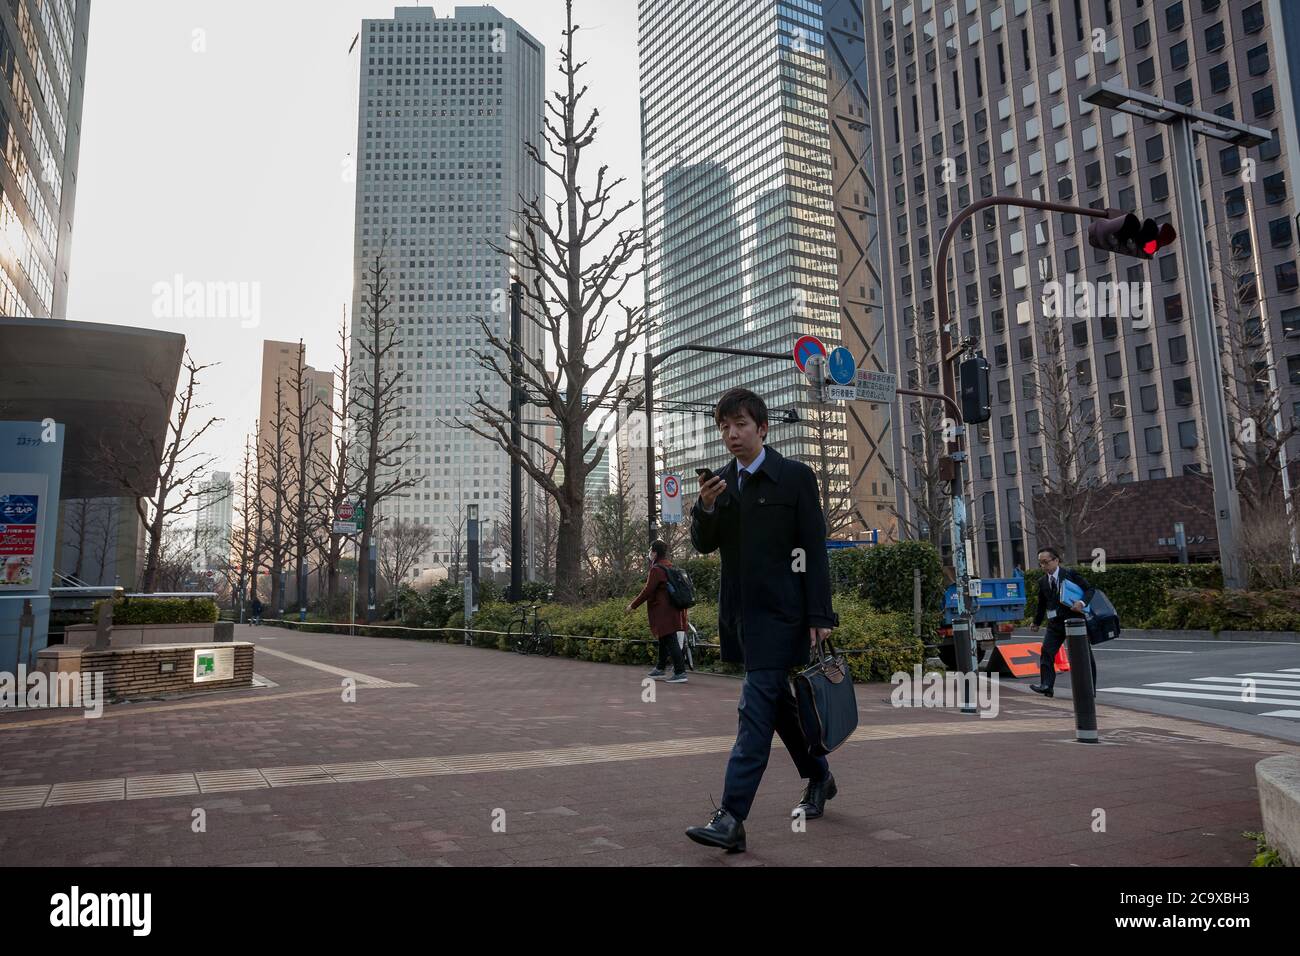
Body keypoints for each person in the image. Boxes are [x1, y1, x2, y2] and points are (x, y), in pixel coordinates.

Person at [683, 387, 838, 854]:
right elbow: (704, 545)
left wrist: (819, 613)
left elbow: (813, 549)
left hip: (785, 613)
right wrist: (706, 507)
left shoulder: (794, 477)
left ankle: (732, 816)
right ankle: (820, 776)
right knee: (778, 709)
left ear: (763, 428)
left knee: (754, 709)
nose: (732, 435)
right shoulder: (722, 485)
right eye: (724, 427)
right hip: (741, 616)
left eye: (741, 425)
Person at [1030, 546, 1096, 697]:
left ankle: (1090, 688)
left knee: (1083, 655)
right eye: (1040, 563)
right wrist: (1036, 622)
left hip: (1075, 621)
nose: (1043, 566)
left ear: (1056, 560)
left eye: (1046, 562)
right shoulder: (1042, 581)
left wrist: (1081, 603)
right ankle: (1047, 685)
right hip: (1054, 624)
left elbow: (1090, 589)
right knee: (1046, 652)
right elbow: (1042, 604)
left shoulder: (1070, 574)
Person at [625, 540, 689, 684]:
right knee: (664, 639)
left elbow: (647, 591)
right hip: (673, 610)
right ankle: (660, 668)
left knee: (670, 640)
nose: (649, 552)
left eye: (650, 550)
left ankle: (680, 672)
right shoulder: (669, 566)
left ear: (654, 552)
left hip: (663, 611)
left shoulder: (657, 570)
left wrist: (632, 606)